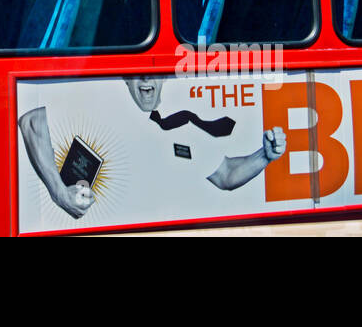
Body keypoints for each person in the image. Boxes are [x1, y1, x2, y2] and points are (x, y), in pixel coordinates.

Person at [18, 74, 286, 220]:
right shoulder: (100, 102)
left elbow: (226, 175)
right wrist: (59, 193)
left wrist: (264, 155)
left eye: (155, 72)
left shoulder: (183, 125)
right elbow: (32, 122)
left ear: (166, 78)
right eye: (137, 72)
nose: (146, 78)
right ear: (125, 78)